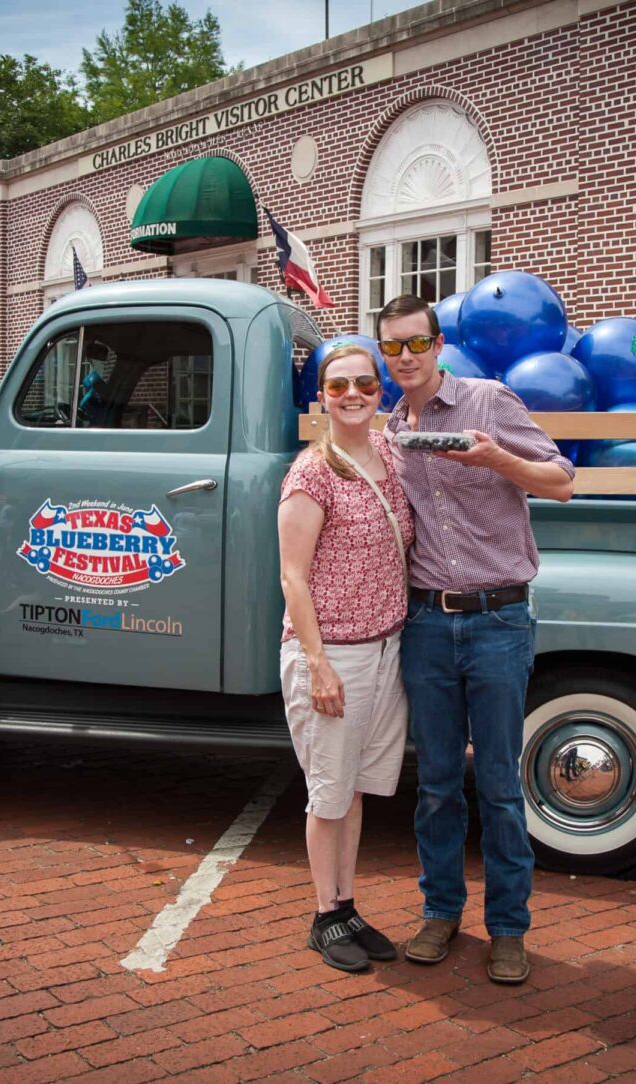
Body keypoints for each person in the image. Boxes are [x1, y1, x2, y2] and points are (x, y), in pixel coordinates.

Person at [377, 294, 575, 986]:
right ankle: (440, 913)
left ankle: (509, 930)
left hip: (497, 620)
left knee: (497, 784)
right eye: (392, 347)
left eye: (415, 344)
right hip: (427, 622)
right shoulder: (389, 430)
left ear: (438, 344)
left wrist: (497, 462)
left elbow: (561, 483)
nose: (405, 357)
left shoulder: (488, 402)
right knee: (435, 785)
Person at [277, 344, 414, 974]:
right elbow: (293, 578)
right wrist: (318, 664)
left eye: (364, 383)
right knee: (328, 793)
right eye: (339, 386)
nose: (353, 394)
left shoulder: (389, 453)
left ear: (378, 391)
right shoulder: (310, 474)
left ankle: (347, 905)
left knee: (355, 789)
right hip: (335, 652)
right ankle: (323, 915)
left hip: (386, 648)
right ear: (322, 398)